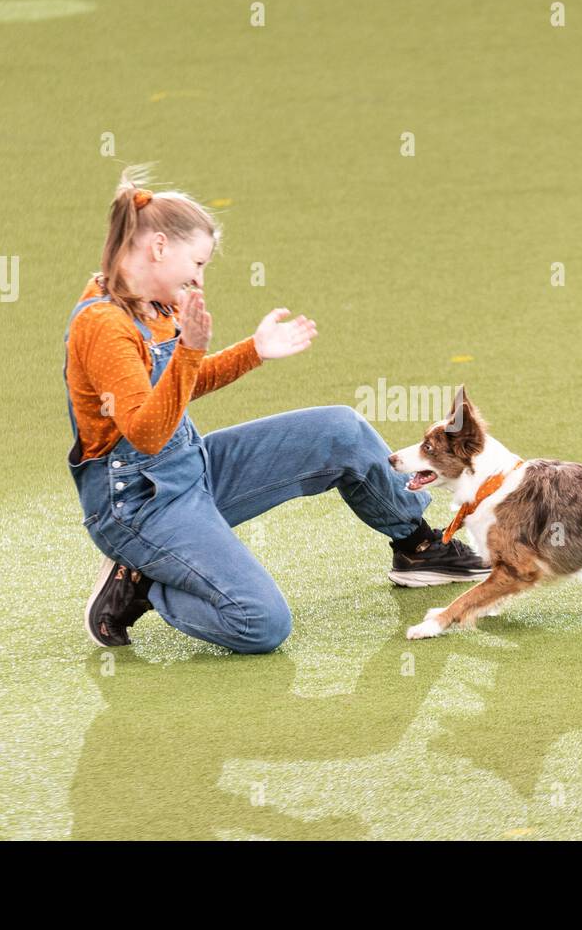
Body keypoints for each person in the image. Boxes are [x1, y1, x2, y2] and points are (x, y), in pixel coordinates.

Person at [64, 165, 489, 651]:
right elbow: (146, 433)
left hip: (191, 468)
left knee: (340, 431)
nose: (198, 280)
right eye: (197, 264)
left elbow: (173, 392)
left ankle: (418, 548)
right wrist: (189, 352)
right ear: (158, 248)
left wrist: (254, 350)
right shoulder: (103, 326)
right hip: (136, 505)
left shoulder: (155, 304)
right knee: (261, 624)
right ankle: (145, 578)